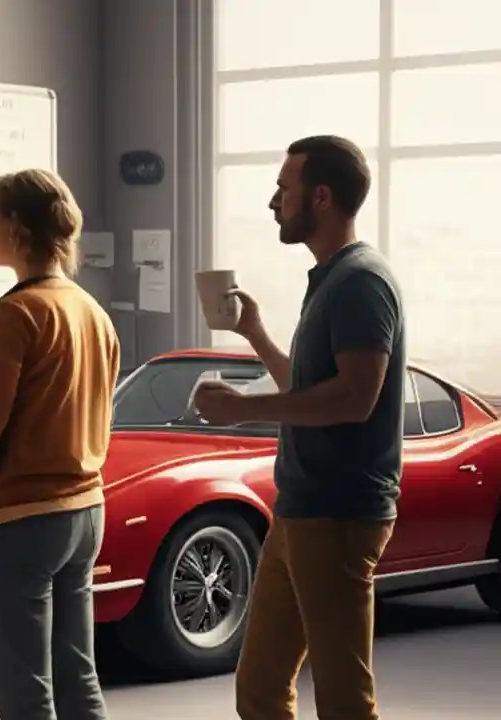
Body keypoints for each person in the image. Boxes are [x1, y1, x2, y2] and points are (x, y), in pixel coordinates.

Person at [194, 135, 403, 720]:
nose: (273, 201)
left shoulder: (362, 281)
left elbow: (356, 398)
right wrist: (256, 335)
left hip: (339, 513)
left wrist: (241, 409)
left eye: (284, 188)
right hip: (301, 509)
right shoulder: (333, 278)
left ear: (321, 197)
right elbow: (311, 387)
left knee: (342, 699)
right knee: (260, 690)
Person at [0, 168, 119, 720]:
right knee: (78, 676)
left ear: (17, 227)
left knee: (23, 690)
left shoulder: (14, 313)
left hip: (23, 517)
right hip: (85, 509)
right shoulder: (91, 311)